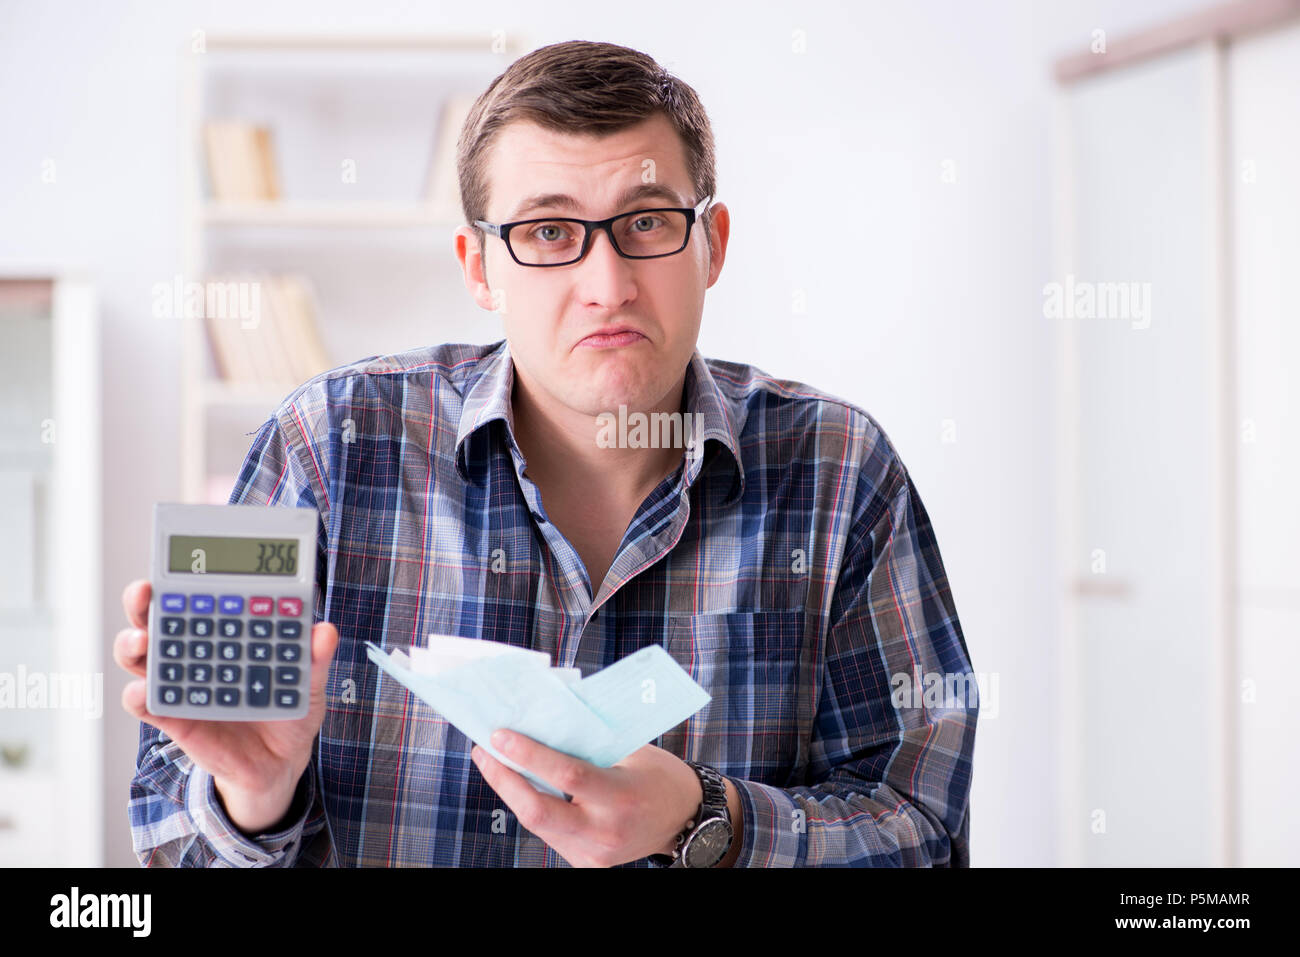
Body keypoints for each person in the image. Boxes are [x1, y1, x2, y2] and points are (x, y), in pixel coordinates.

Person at [119, 39, 977, 867]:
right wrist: (253, 800)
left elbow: (926, 829)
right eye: (549, 233)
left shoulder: (840, 469)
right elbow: (168, 835)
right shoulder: (331, 444)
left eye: (646, 222)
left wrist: (704, 819)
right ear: (479, 266)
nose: (607, 284)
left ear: (712, 243)